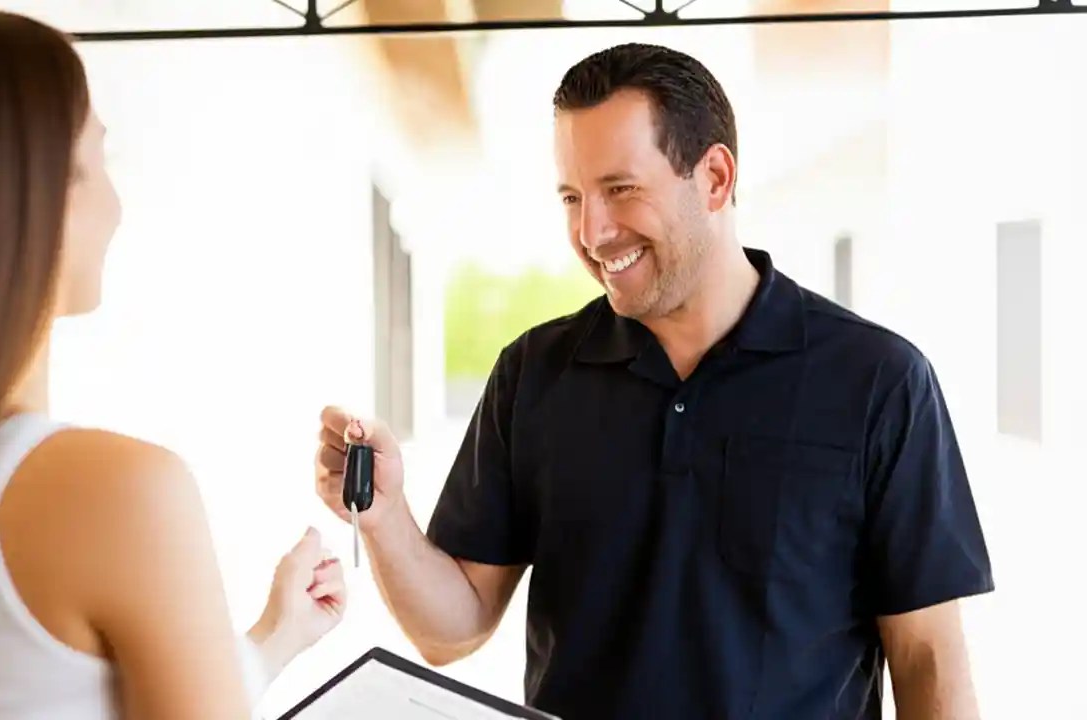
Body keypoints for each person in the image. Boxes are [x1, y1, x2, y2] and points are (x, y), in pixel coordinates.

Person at [316, 42, 993, 720]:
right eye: (573, 197)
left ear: (715, 178)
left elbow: (927, 657)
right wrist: (385, 515)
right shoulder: (533, 374)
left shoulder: (878, 382)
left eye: (620, 189)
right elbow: (451, 630)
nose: (592, 232)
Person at [0, 7, 344, 720]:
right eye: (96, 163)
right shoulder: (118, 490)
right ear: (24, 199)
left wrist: (273, 639)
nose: (115, 206)